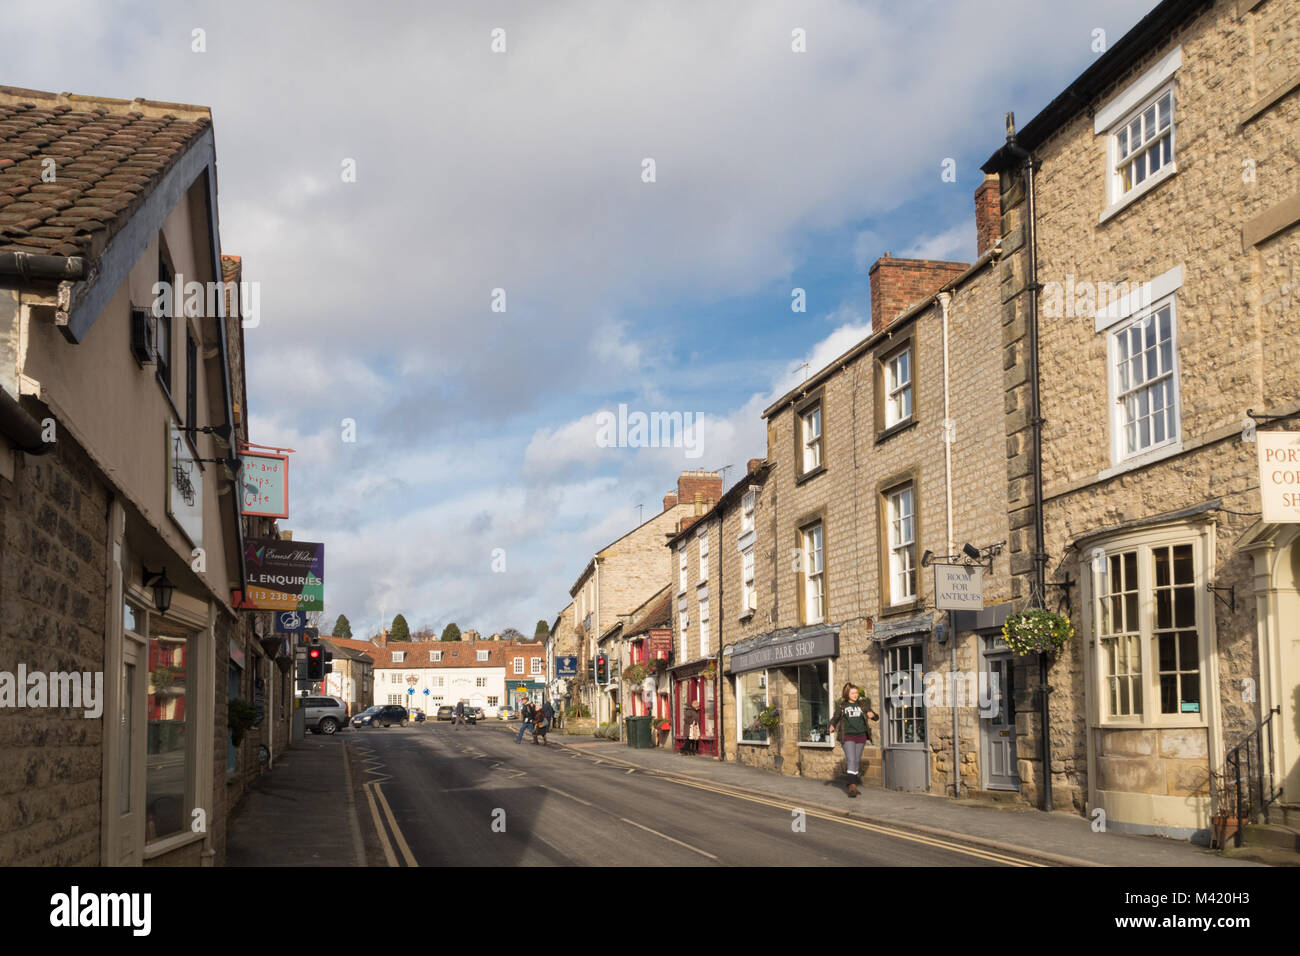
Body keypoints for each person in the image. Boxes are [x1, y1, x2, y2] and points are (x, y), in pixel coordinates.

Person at [829, 683, 878, 797]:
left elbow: (875, 717)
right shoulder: (842, 706)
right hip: (847, 736)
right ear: (847, 694)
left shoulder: (862, 705)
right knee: (851, 760)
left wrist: (873, 715)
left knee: (856, 760)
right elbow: (835, 718)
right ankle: (852, 786)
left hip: (861, 736)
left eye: (856, 693)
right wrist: (831, 725)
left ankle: (852, 783)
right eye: (853, 693)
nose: (855, 695)